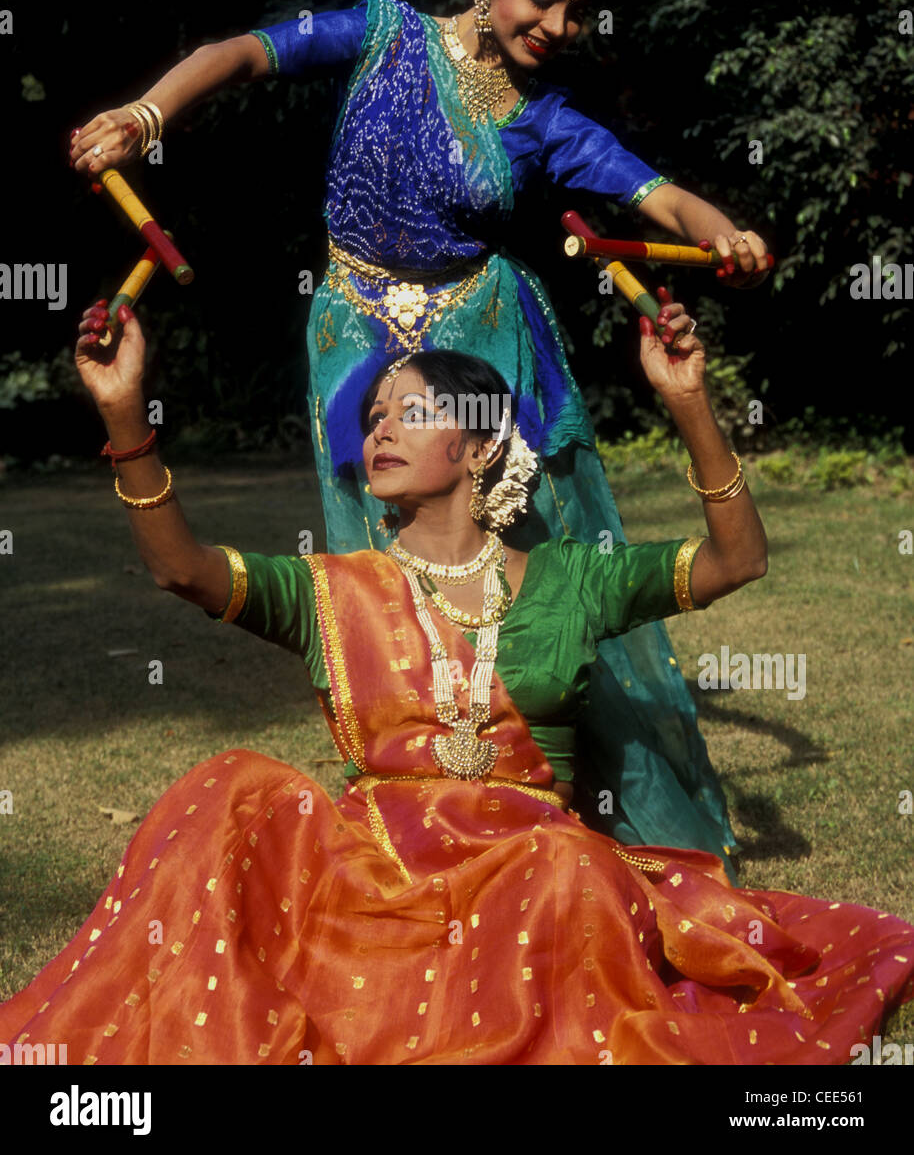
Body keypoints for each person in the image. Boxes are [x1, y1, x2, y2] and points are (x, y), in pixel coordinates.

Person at [1, 298, 911, 1066]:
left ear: (475, 448)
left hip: (530, 867)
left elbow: (739, 558)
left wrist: (691, 406)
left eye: (409, 411)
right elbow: (184, 571)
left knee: (564, 868)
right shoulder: (334, 590)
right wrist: (126, 419)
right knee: (230, 787)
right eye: (373, 419)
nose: (381, 428)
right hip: (376, 870)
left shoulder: (572, 581)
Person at [66, 0, 773, 869]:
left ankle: (588, 823)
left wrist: (721, 235)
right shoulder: (383, 36)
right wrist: (146, 114)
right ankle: (409, 823)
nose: (556, 26)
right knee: (380, 577)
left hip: (485, 343)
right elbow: (241, 53)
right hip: (353, 339)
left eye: (573, 10)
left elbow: (653, 193)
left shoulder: (540, 118)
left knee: (531, 563)